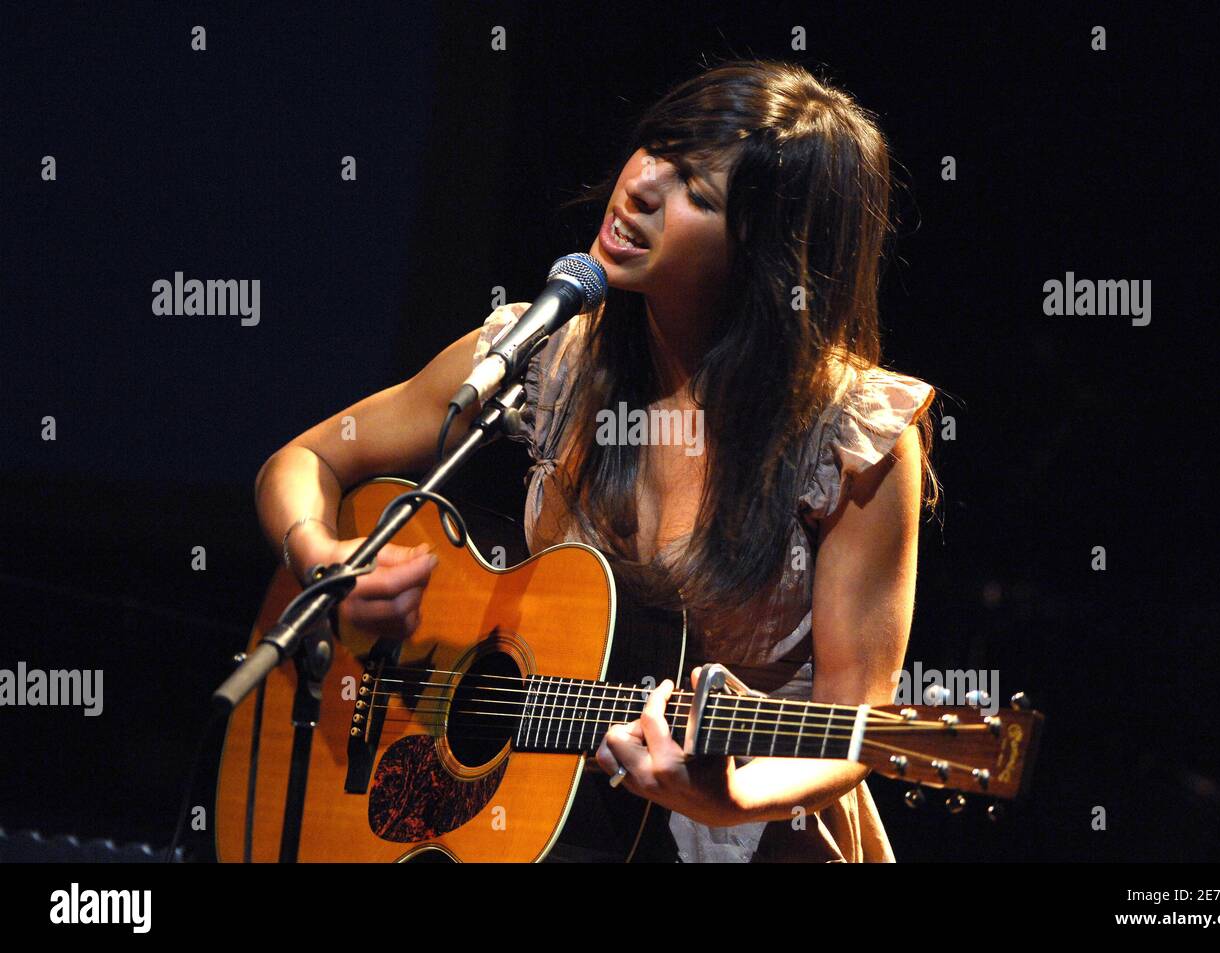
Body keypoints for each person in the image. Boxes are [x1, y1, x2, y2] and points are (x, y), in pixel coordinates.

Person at [255, 59, 938, 862]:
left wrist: (725, 795)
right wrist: (325, 559)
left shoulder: (854, 435)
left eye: (695, 190)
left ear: (767, 257)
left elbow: (857, 722)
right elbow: (306, 459)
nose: (643, 184)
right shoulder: (547, 357)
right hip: (541, 823)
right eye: (658, 146)